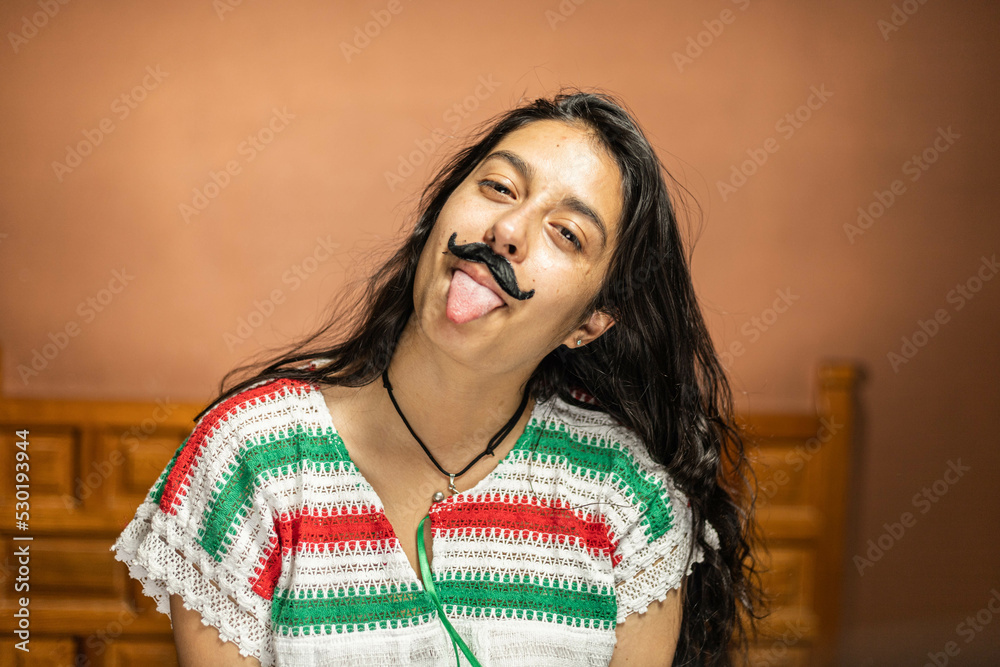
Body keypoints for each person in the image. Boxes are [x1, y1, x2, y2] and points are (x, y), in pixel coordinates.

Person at [113, 89, 767, 666]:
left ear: (590, 322)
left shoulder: (629, 496)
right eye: (499, 188)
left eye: (566, 233)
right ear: (437, 218)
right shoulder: (248, 459)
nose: (507, 230)